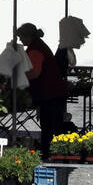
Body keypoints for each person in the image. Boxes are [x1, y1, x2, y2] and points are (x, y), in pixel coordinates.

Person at [18, 22, 69, 158]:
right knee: (53, 125)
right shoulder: (38, 45)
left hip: (49, 93)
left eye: (21, 37)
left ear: (28, 36)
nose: (20, 40)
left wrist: (18, 77)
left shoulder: (35, 49)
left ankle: (49, 153)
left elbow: (35, 73)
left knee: (48, 126)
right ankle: (56, 152)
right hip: (53, 92)